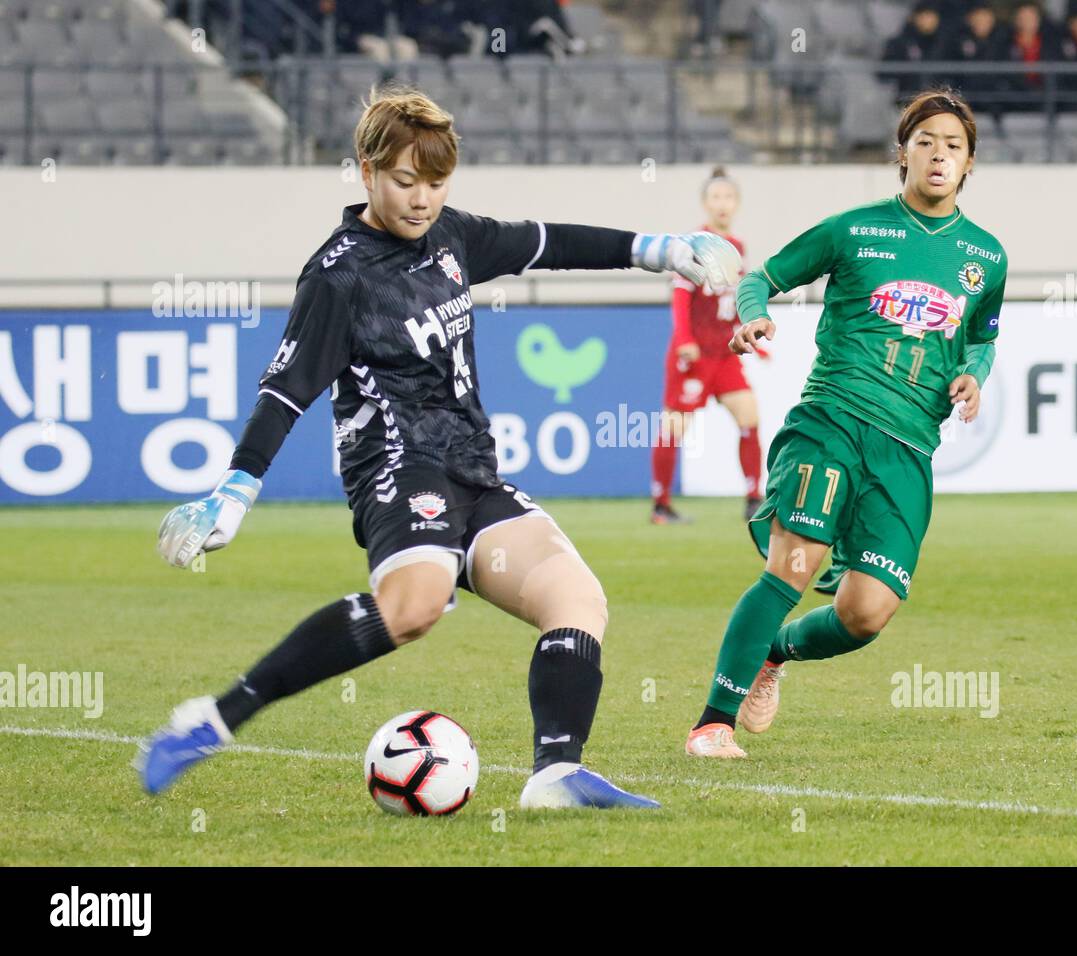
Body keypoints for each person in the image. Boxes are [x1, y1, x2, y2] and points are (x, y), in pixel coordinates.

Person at [141, 85, 736, 809]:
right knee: (416, 605)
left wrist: (658, 249)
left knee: (576, 598)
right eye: (404, 182)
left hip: (472, 469)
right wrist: (237, 489)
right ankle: (212, 720)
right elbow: (287, 388)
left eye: (435, 182)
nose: (421, 199)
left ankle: (554, 775)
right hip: (397, 468)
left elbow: (546, 241)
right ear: (366, 170)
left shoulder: (450, 236)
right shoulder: (339, 275)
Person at [684, 89, 1007, 758]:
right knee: (793, 566)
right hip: (832, 421)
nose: (939, 154)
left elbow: (982, 334)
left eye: (953, 144)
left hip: (909, 447)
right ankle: (712, 724)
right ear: (903, 154)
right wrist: (751, 315)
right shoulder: (855, 229)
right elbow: (761, 277)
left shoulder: (987, 257)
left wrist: (974, 369)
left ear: (971, 162)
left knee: (866, 614)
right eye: (926, 141)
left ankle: (771, 653)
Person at [651, 166, 763, 525]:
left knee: (749, 418)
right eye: (716, 197)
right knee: (673, 429)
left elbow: (731, 301)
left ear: (738, 203)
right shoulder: (694, 244)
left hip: (725, 353)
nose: (723, 204)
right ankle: (661, 505)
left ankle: (753, 498)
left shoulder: (739, 248)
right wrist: (684, 339)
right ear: (705, 203)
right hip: (694, 354)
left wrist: (751, 335)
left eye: (728, 197)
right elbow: (681, 295)